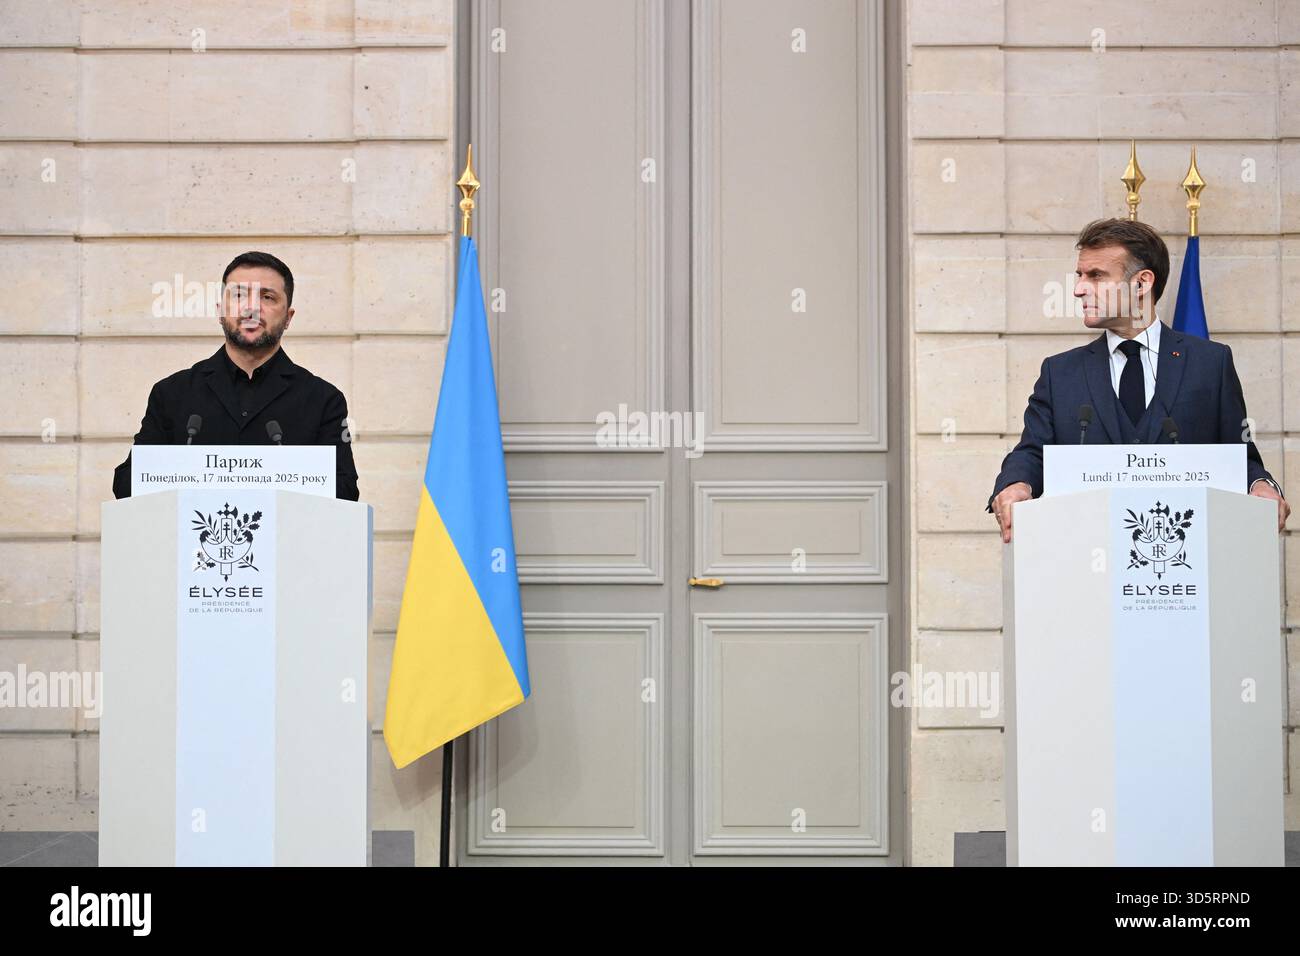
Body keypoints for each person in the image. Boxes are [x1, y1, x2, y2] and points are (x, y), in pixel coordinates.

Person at [989, 218, 1287, 543]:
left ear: (1142, 283)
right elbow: (1032, 453)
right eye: (1080, 275)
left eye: (1097, 276)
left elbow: (1238, 456)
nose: (1078, 289)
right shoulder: (1060, 373)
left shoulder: (1210, 364)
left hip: (1187, 564)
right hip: (1088, 564)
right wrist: (1016, 484)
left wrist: (1262, 487)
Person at [112, 251, 360, 501]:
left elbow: (346, 492)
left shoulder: (323, 400)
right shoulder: (171, 393)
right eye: (239, 295)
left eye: (267, 297)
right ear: (221, 311)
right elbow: (128, 484)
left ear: (288, 317)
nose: (251, 308)